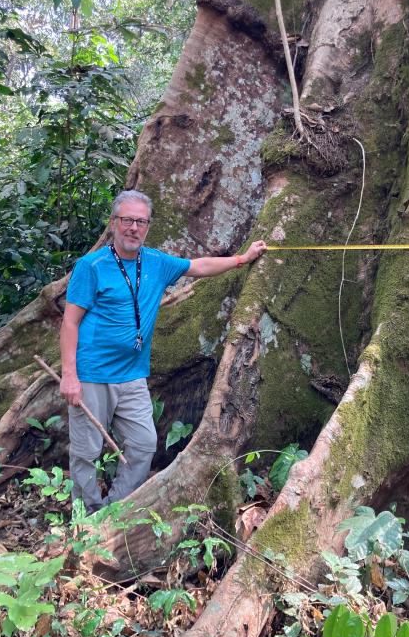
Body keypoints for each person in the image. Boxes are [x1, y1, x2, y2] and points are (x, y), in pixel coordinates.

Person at [59, 189, 267, 512]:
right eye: (127, 220)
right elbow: (70, 323)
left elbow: (199, 266)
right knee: (87, 451)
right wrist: (69, 376)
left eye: (141, 222)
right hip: (92, 375)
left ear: (148, 226)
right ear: (114, 223)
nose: (134, 228)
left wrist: (242, 259)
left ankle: (112, 512)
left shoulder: (155, 262)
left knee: (144, 444)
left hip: (132, 376)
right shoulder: (92, 266)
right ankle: (84, 520)